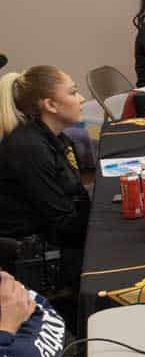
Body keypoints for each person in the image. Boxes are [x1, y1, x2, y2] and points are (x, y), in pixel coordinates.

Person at [0, 67, 90, 290]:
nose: (82, 98)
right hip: (39, 258)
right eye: (72, 92)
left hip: (57, 236)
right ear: (50, 105)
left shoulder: (58, 139)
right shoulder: (29, 149)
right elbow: (63, 223)